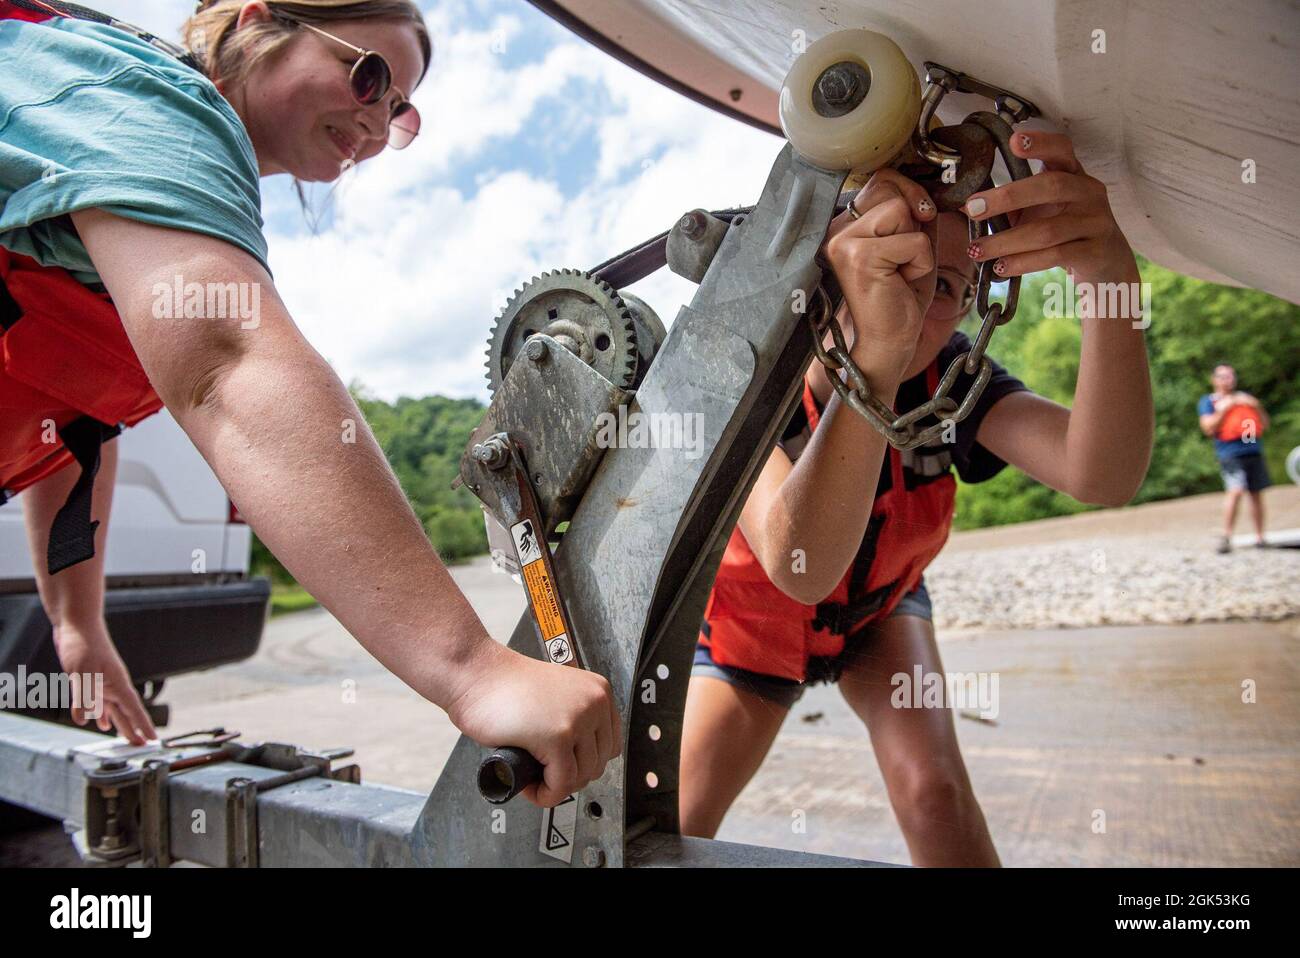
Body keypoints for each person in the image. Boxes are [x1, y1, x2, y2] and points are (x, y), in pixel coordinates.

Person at [0, 0, 618, 807]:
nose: (376, 117)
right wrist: (473, 667)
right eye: (367, 74)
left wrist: (74, 626)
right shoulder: (146, 95)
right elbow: (230, 369)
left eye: (398, 108)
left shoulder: (145, 210)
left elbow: (74, 430)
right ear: (261, 23)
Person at [679, 133, 1154, 865]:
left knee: (934, 793)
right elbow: (798, 562)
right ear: (830, 254)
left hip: (879, 615)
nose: (910, 295)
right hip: (758, 632)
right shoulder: (742, 376)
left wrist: (1108, 276)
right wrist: (876, 355)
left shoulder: (950, 382)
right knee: (680, 822)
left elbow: (1100, 472)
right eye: (894, 258)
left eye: (945, 288)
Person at [1197, 364, 1271, 552]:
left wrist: (1256, 405)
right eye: (1223, 376)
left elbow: (1264, 424)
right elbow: (1207, 427)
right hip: (1229, 452)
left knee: (1256, 494)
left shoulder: (1246, 399)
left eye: (1230, 376)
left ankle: (1260, 537)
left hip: (1252, 449)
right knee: (1235, 490)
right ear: (1214, 380)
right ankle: (1227, 536)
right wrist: (1225, 408)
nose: (1228, 380)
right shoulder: (1209, 401)